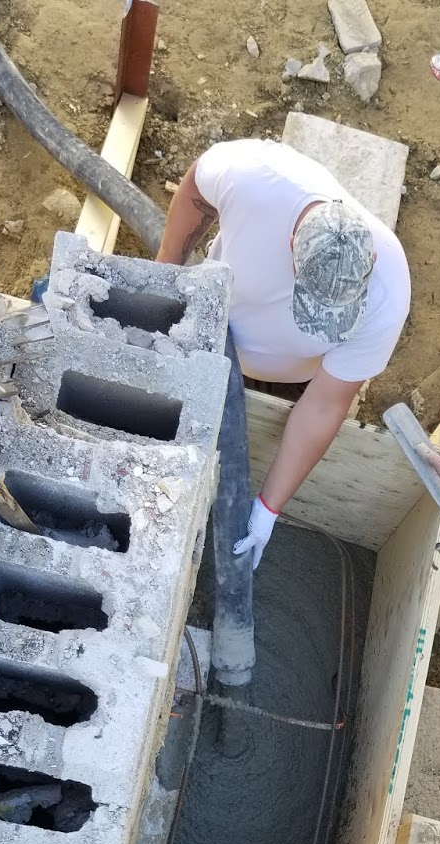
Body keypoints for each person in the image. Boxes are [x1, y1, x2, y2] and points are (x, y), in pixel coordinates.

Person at [156, 139, 412, 569]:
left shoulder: (389, 295)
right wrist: (167, 263)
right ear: (293, 242)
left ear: (370, 258)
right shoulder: (256, 178)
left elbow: (326, 403)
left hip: (295, 378)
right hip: (213, 327)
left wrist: (268, 509)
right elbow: (197, 189)